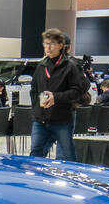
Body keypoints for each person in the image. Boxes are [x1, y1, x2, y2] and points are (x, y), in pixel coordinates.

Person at [30, 28, 88, 163]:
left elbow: (78, 91)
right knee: (34, 157)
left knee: (66, 158)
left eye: (52, 44)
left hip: (62, 119)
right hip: (40, 120)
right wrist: (36, 108)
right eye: (45, 43)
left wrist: (56, 97)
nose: (48, 47)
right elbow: (34, 89)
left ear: (61, 45)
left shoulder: (70, 66)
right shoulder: (41, 66)